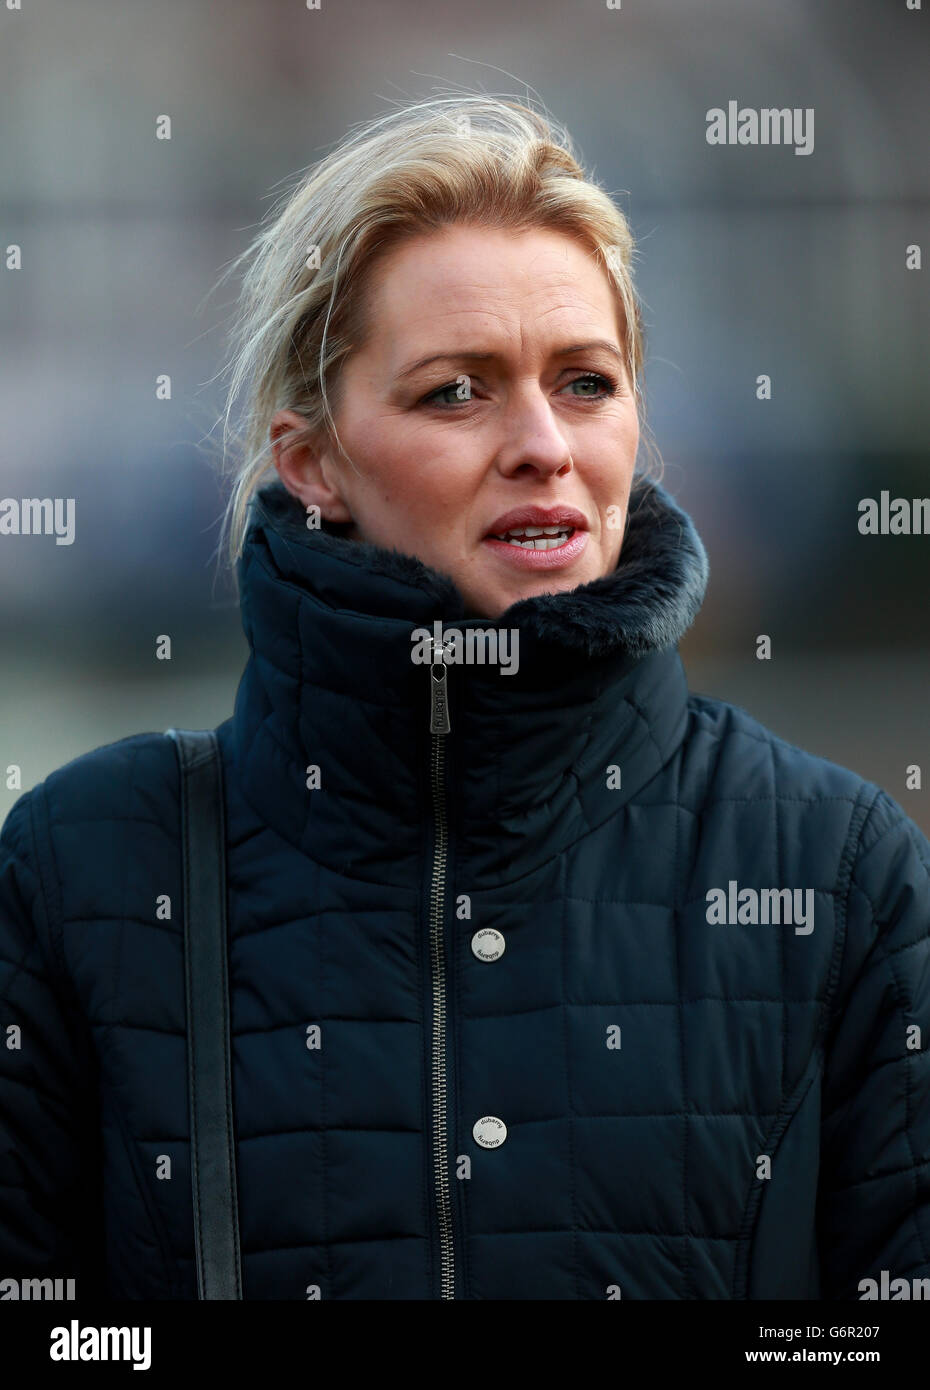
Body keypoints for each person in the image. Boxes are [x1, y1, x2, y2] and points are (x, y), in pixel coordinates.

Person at [1, 95, 928, 1302]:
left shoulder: (838, 873)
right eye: (457, 391)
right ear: (312, 461)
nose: (544, 442)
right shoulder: (84, 872)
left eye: (587, 382)